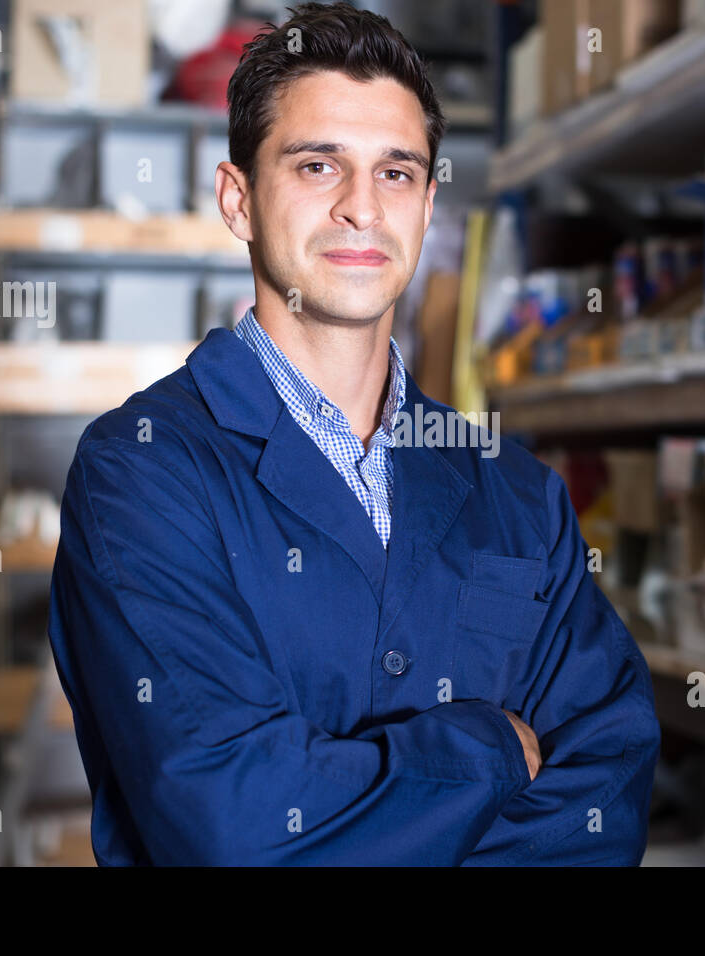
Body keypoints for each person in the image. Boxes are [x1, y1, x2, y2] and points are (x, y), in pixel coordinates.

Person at [47, 1, 660, 866]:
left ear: (428, 204)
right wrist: (485, 750)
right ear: (239, 200)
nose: (361, 209)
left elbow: (605, 799)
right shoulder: (143, 476)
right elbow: (233, 823)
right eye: (317, 166)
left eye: (397, 172)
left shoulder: (514, 488)